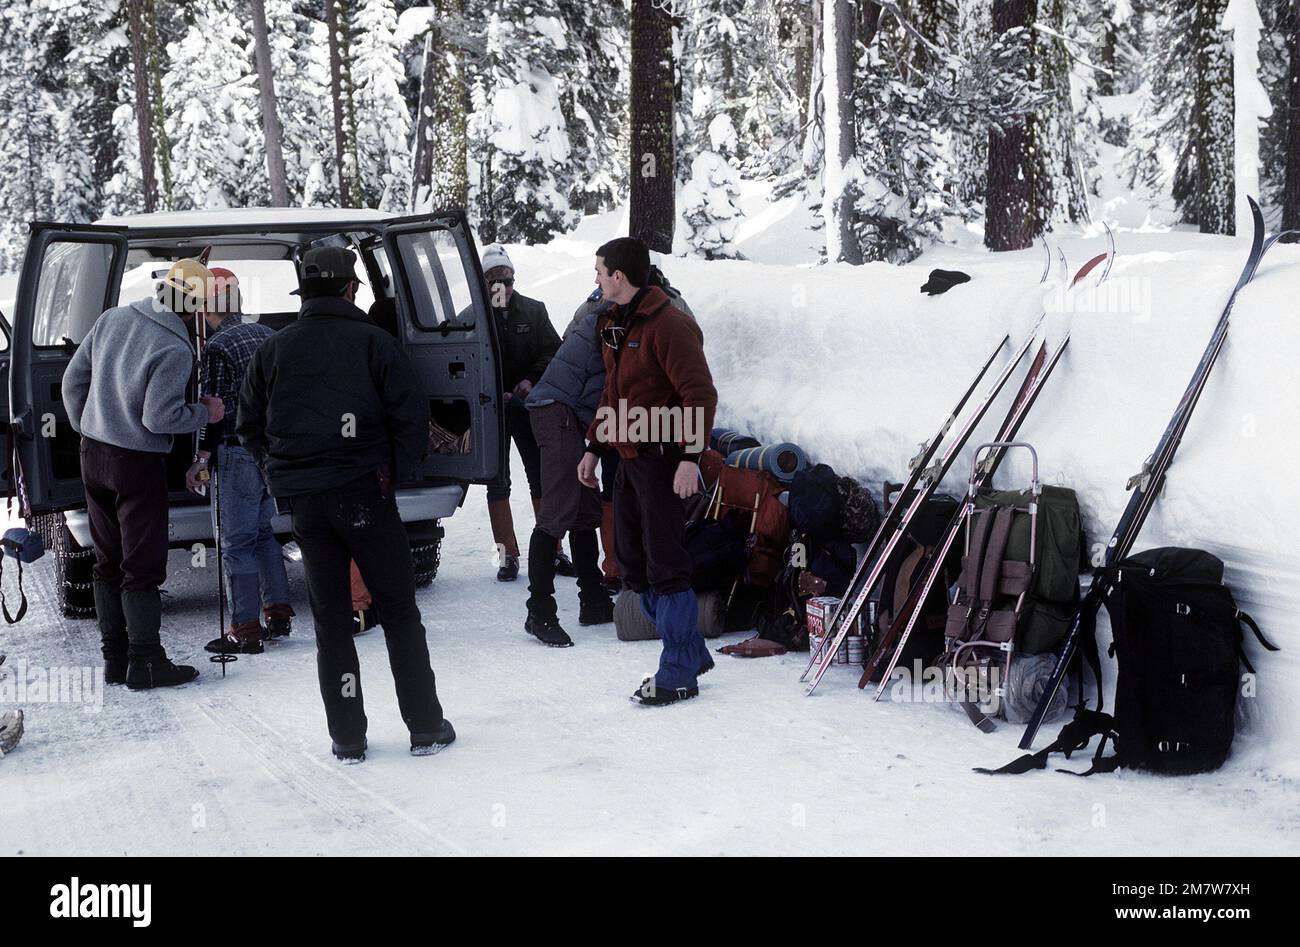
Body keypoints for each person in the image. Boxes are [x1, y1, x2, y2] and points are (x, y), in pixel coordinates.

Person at [237, 246, 454, 762]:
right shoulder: (376, 343)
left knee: (331, 622)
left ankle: (348, 738)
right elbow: (410, 417)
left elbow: (248, 427)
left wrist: (281, 475)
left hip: (308, 505)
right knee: (400, 613)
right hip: (366, 494)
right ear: (351, 289)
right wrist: (396, 478)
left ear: (305, 294)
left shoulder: (273, 350)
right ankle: (424, 725)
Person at [62, 259, 225, 689]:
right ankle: (147, 660)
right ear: (194, 304)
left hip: (92, 454)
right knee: (142, 565)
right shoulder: (174, 348)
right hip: (136, 463)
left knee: (107, 559)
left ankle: (115, 660)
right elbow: (159, 417)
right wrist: (202, 412)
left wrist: (89, 425)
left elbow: (71, 381)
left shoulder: (113, 318)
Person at [576, 238, 718, 705]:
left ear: (619, 276)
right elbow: (611, 396)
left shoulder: (670, 325)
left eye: (599, 271)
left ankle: (678, 671)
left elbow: (700, 395)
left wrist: (690, 460)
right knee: (633, 567)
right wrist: (594, 448)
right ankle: (691, 650)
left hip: (664, 463)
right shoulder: (616, 322)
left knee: (666, 569)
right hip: (629, 461)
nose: (595, 278)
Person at [184, 268, 293, 656]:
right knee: (264, 533)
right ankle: (278, 614)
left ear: (206, 306)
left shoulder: (217, 347)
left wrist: (201, 458)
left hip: (235, 451)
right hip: (271, 452)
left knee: (236, 543)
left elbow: (214, 410)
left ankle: (245, 629)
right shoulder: (269, 336)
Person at [571, 262, 694, 593]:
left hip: (642, 423)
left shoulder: (661, 308)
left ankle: (627, 572)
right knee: (627, 496)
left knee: (633, 498)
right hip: (620, 416)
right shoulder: (612, 305)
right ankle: (626, 571)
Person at [520, 306, 617, 647]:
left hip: (570, 413)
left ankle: (592, 599)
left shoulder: (607, 315)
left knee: (586, 508)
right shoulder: (613, 322)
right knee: (557, 512)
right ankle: (539, 611)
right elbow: (619, 384)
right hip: (557, 410)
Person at [477, 245, 565, 582]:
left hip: (529, 407)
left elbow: (553, 351)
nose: (503, 286)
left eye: (508, 279)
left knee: (540, 476)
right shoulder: (474, 316)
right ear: (484, 283)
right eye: (495, 280)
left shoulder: (534, 311)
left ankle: (553, 551)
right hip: (492, 409)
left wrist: (531, 380)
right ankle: (506, 555)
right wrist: (491, 388)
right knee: (497, 483)